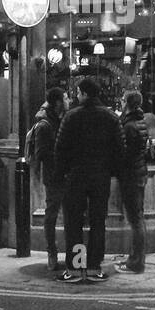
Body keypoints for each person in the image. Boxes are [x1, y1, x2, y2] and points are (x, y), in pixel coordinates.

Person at [53, 77, 123, 283]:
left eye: (78, 93)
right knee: (97, 221)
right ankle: (93, 267)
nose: (76, 96)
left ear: (84, 94)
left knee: (74, 223)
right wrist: (112, 171)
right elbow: (119, 148)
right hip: (100, 176)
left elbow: (61, 148)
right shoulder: (111, 117)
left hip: (76, 176)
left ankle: (75, 268)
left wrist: (60, 173)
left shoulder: (71, 116)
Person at [28, 87, 68, 271]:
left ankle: (72, 254)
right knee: (51, 216)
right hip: (54, 176)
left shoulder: (62, 119)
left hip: (66, 175)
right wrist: (61, 157)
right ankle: (52, 253)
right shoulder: (45, 125)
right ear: (58, 101)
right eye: (66, 98)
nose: (68, 100)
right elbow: (41, 153)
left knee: (70, 216)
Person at [115, 90, 151, 274]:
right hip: (140, 173)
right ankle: (135, 257)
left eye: (122, 100)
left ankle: (136, 261)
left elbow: (125, 154)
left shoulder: (129, 125)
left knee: (135, 219)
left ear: (127, 103)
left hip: (131, 176)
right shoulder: (141, 121)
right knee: (138, 217)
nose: (120, 103)